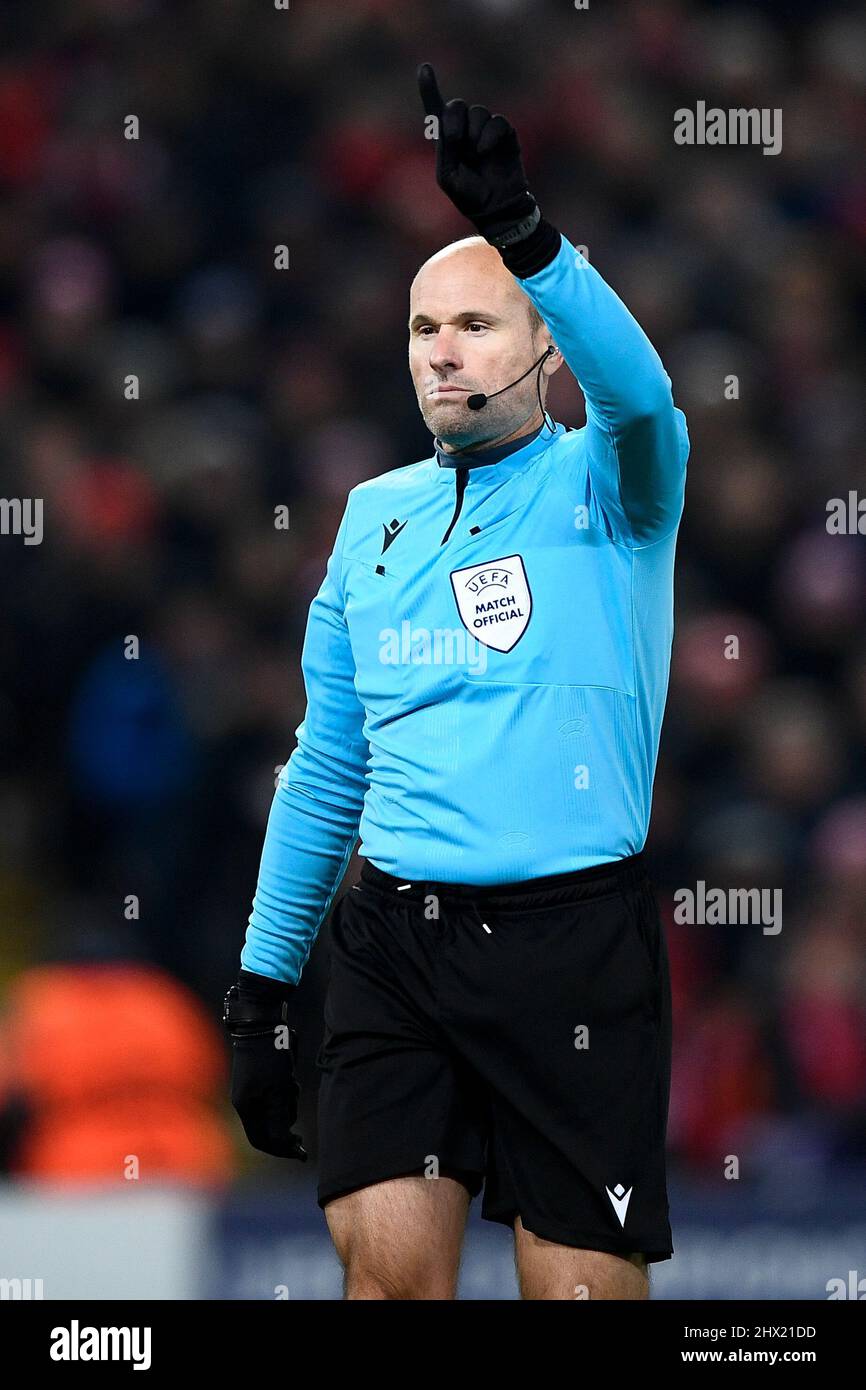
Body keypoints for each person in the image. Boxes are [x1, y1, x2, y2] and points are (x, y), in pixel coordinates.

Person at [224, 64, 689, 1300]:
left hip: (572, 948)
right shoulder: (373, 515)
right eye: (424, 328)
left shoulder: (613, 486)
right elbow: (328, 762)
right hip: (394, 941)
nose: (441, 351)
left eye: (476, 323)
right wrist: (264, 983)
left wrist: (531, 240)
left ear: (545, 345)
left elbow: (643, 396)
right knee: (386, 1289)